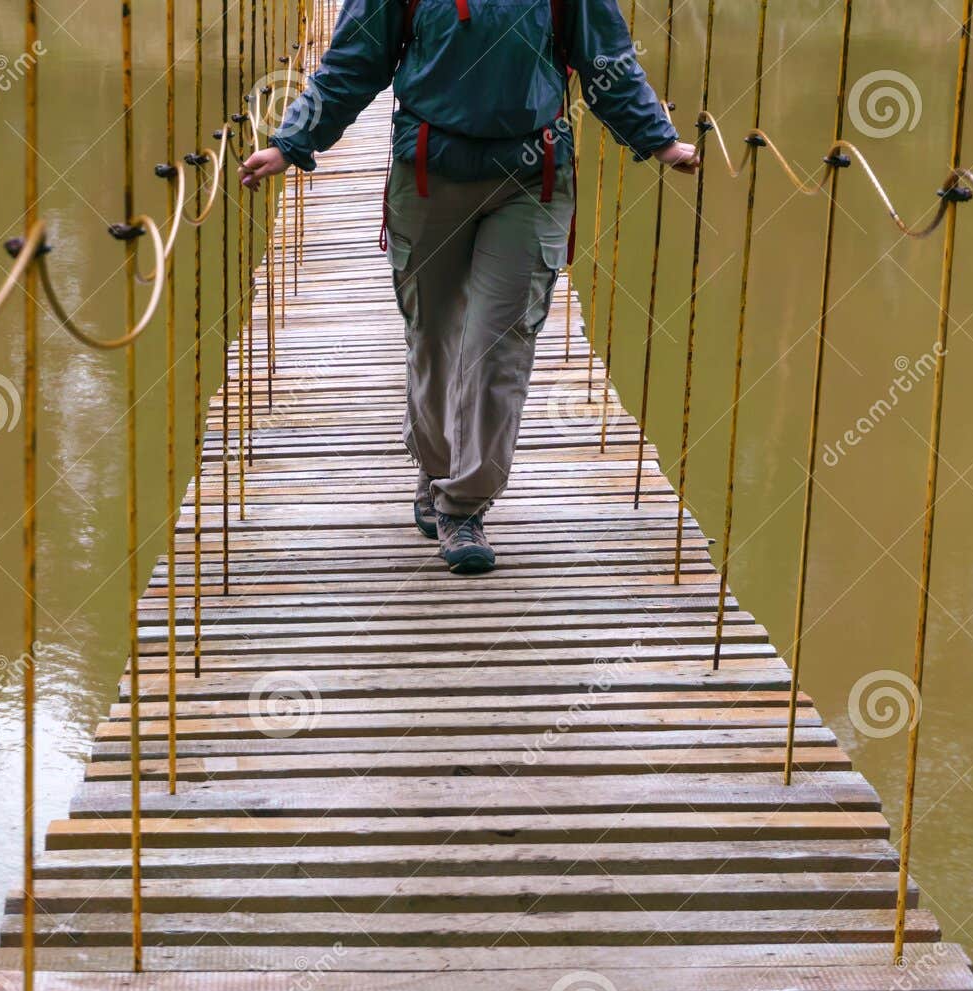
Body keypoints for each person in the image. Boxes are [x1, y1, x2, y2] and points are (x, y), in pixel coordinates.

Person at [242, 0, 698, 575]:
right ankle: (435, 467)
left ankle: (463, 503)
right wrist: (291, 142)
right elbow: (355, 62)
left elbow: (607, 60)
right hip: (430, 173)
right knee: (433, 334)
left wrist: (659, 139)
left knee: (500, 343)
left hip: (532, 176)